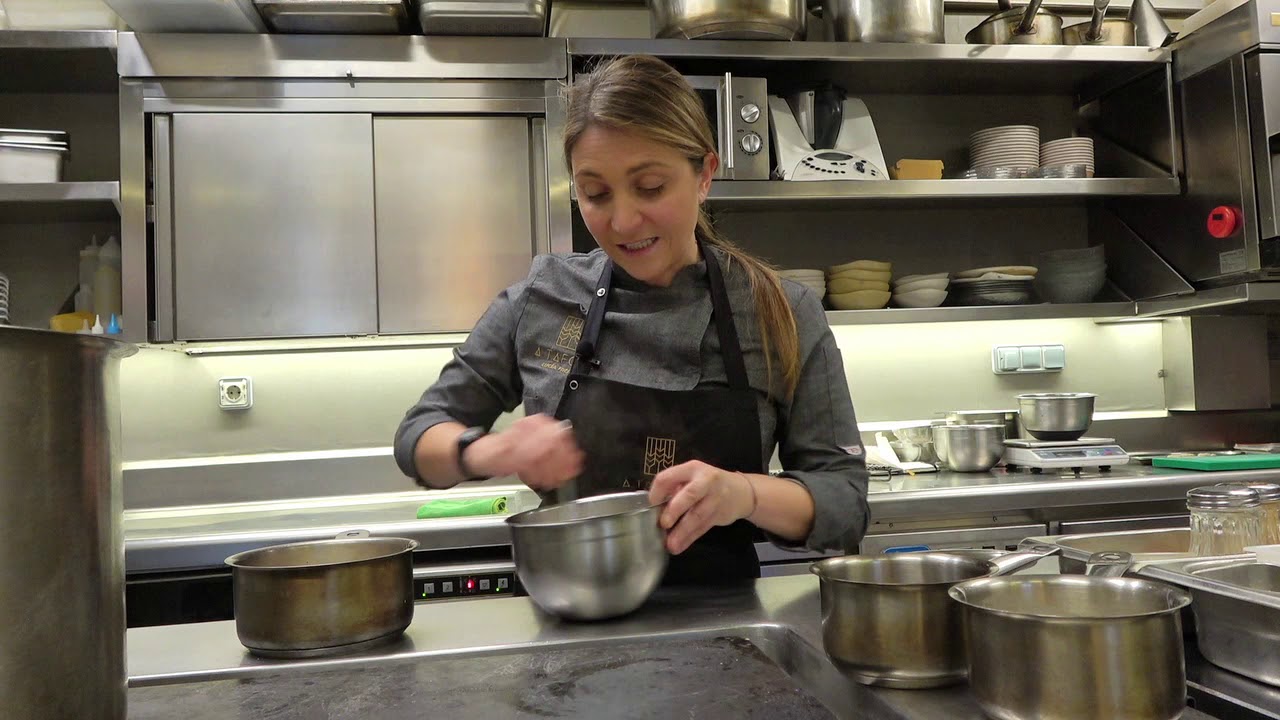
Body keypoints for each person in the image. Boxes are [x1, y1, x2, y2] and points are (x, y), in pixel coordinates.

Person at [394, 54, 869, 584]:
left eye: (649, 187)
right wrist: (490, 449)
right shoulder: (542, 297)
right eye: (595, 194)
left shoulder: (780, 311)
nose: (621, 221)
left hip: (725, 636)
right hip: (567, 625)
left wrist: (743, 493)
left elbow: (843, 503)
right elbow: (418, 439)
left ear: (705, 175)